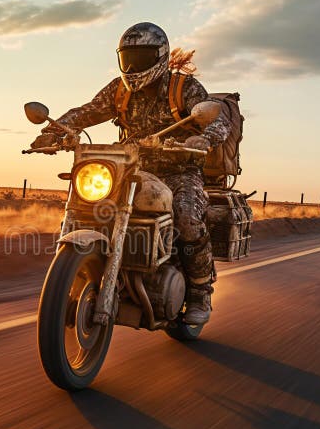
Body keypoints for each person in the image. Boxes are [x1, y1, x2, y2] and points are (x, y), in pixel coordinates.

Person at [30, 22, 232, 324]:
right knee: (91, 207)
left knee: (187, 219)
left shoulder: (183, 87)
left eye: (142, 58)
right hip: (128, 168)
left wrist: (204, 137)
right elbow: (88, 111)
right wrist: (54, 131)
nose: (133, 66)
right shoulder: (119, 90)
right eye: (128, 58)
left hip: (179, 170)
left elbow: (217, 118)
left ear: (160, 56)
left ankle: (200, 292)